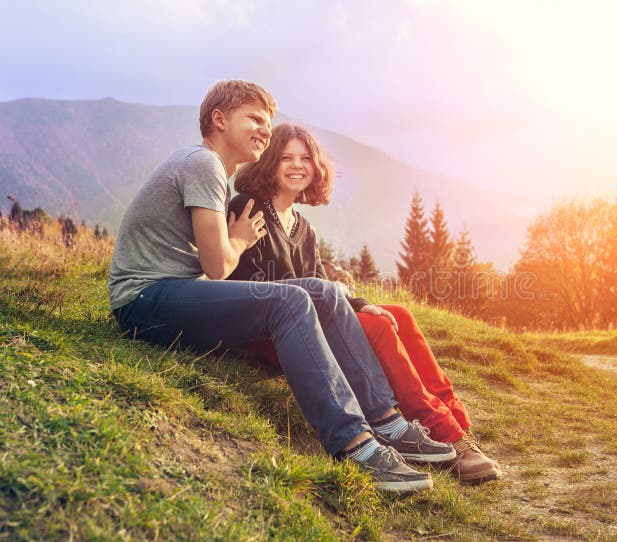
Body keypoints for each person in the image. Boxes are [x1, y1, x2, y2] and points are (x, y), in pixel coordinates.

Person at [108, 80, 455, 493]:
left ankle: (388, 421)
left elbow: (212, 263)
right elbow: (218, 266)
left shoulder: (213, 170)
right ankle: (355, 444)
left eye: (267, 122)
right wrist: (238, 240)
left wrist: (233, 242)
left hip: (172, 292)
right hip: (144, 298)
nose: (263, 130)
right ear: (219, 119)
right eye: (254, 118)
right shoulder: (204, 164)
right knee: (289, 301)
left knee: (325, 291)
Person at [228, 123, 501, 483]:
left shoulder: (303, 228)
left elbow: (319, 283)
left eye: (306, 158)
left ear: (317, 167)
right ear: (269, 163)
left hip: (313, 319)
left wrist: (356, 301)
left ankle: (458, 429)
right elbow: (249, 286)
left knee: (396, 315)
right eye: (286, 158)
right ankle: (439, 431)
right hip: (276, 329)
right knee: (375, 326)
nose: (297, 166)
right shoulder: (249, 208)